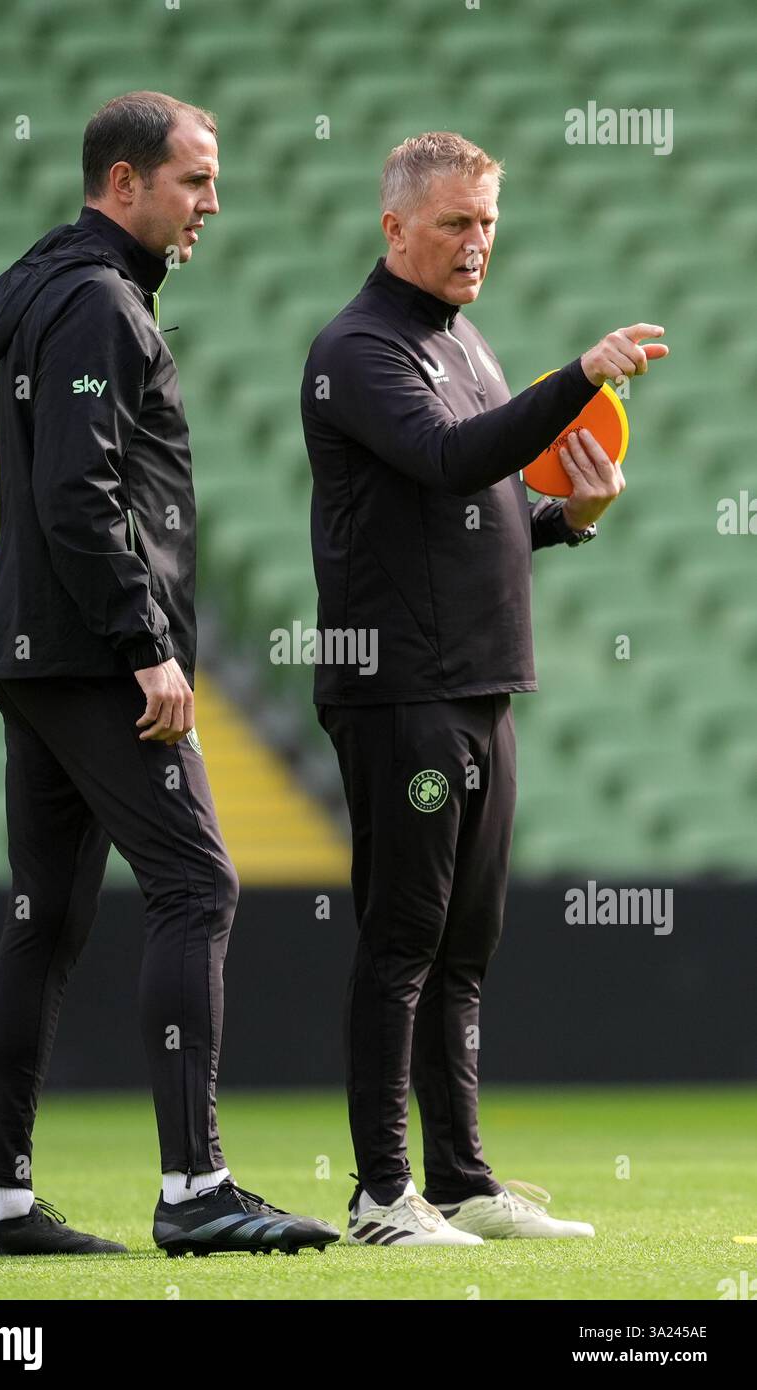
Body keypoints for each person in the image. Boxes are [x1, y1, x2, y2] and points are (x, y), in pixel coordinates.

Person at [0, 90, 338, 1260]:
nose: (210, 203)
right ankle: (195, 1187)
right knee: (197, 885)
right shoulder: (101, 307)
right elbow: (81, 498)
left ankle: (0, 1206)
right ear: (121, 184)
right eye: (193, 180)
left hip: (34, 645)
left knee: (46, 916)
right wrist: (147, 646)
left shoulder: (52, 289)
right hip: (89, 653)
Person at [300, 131, 668, 1247]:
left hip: (479, 683)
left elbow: (484, 509)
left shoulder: (464, 344)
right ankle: (379, 1194)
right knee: (402, 936)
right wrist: (578, 377)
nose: (475, 244)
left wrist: (569, 519)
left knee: (465, 942)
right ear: (395, 227)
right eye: (455, 223)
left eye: (488, 223)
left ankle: (459, 1180)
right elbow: (451, 461)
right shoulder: (358, 349)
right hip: (398, 684)